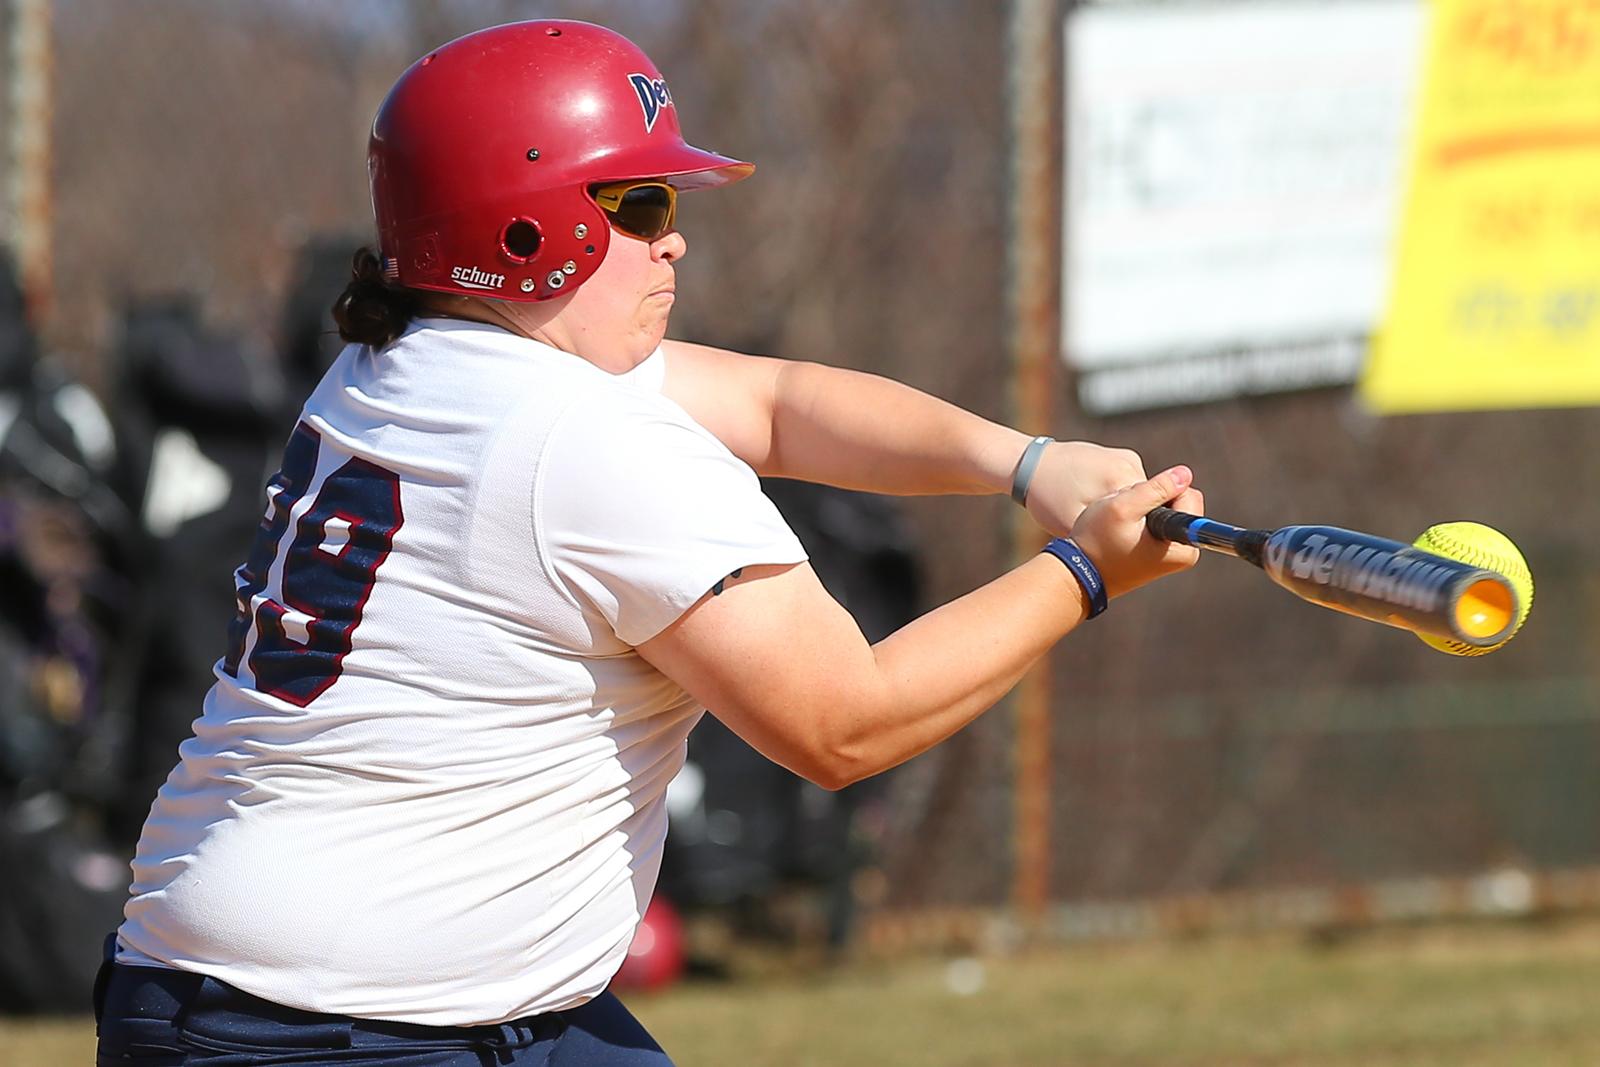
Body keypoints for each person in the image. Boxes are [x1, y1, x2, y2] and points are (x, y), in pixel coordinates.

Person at [94, 19, 1203, 1066]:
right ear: (521, 228)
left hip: (348, 989)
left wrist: (1024, 461)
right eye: (633, 202)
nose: (672, 234)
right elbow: (845, 721)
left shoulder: (415, 355)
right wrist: (1085, 575)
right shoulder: (584, 437)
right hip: (330, 1026)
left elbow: (776, 403)